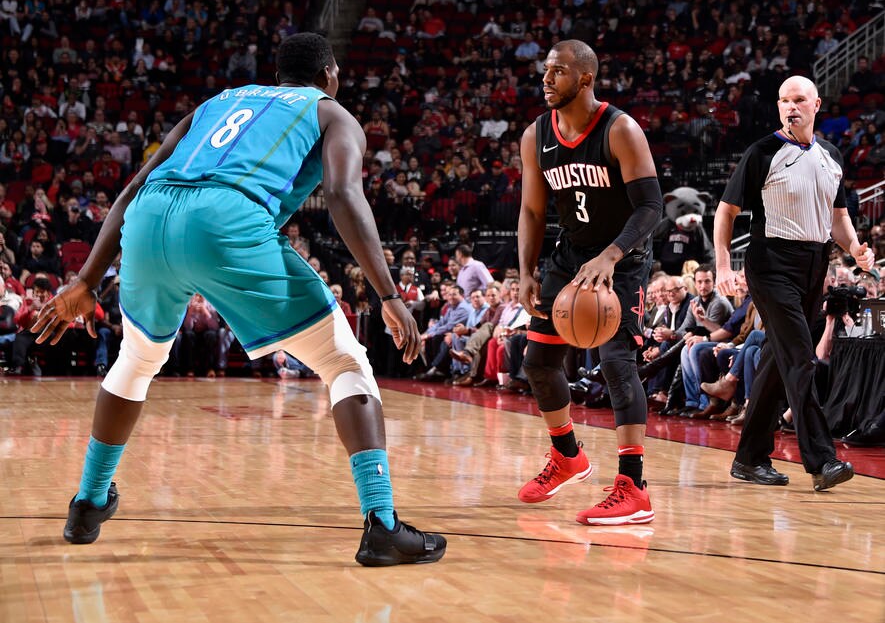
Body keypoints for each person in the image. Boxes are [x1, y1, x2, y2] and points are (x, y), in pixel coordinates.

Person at [31, 33, 446, 566]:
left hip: (150, 215)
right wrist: (387, 293)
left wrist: (86, 281)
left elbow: (135, 185)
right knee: (345, 362)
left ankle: (87, 503)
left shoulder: (217, 102)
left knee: (135, 362)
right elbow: (343, 194)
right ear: (328, 74)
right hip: (226, 219)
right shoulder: (331, 113)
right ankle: (383, 524)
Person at [517, 39, 662, 525]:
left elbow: (650, 207)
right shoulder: (536, 135)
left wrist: (612, 254)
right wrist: (525, 272)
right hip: (570, 258)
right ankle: (568, 457)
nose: (546, 78)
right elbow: (533, 210)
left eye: (557, 71)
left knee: (618, 365)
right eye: (545, 71)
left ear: (584, 79)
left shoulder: (621, 129)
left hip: (622, 259)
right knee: (538, 362)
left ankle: (633, 486)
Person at [714, 74, 875, 492]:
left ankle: (749, 459)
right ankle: (821, 460)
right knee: (801, 358)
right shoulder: (763, 152)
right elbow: (725, 212)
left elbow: (838, 219)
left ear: (816, 105)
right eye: (784, 100)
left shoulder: (832, 156)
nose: (790, 107)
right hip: (770, 264)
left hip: (814, 265)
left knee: (776, 360)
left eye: (799, 100)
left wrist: (856, 247)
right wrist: (722, 266)